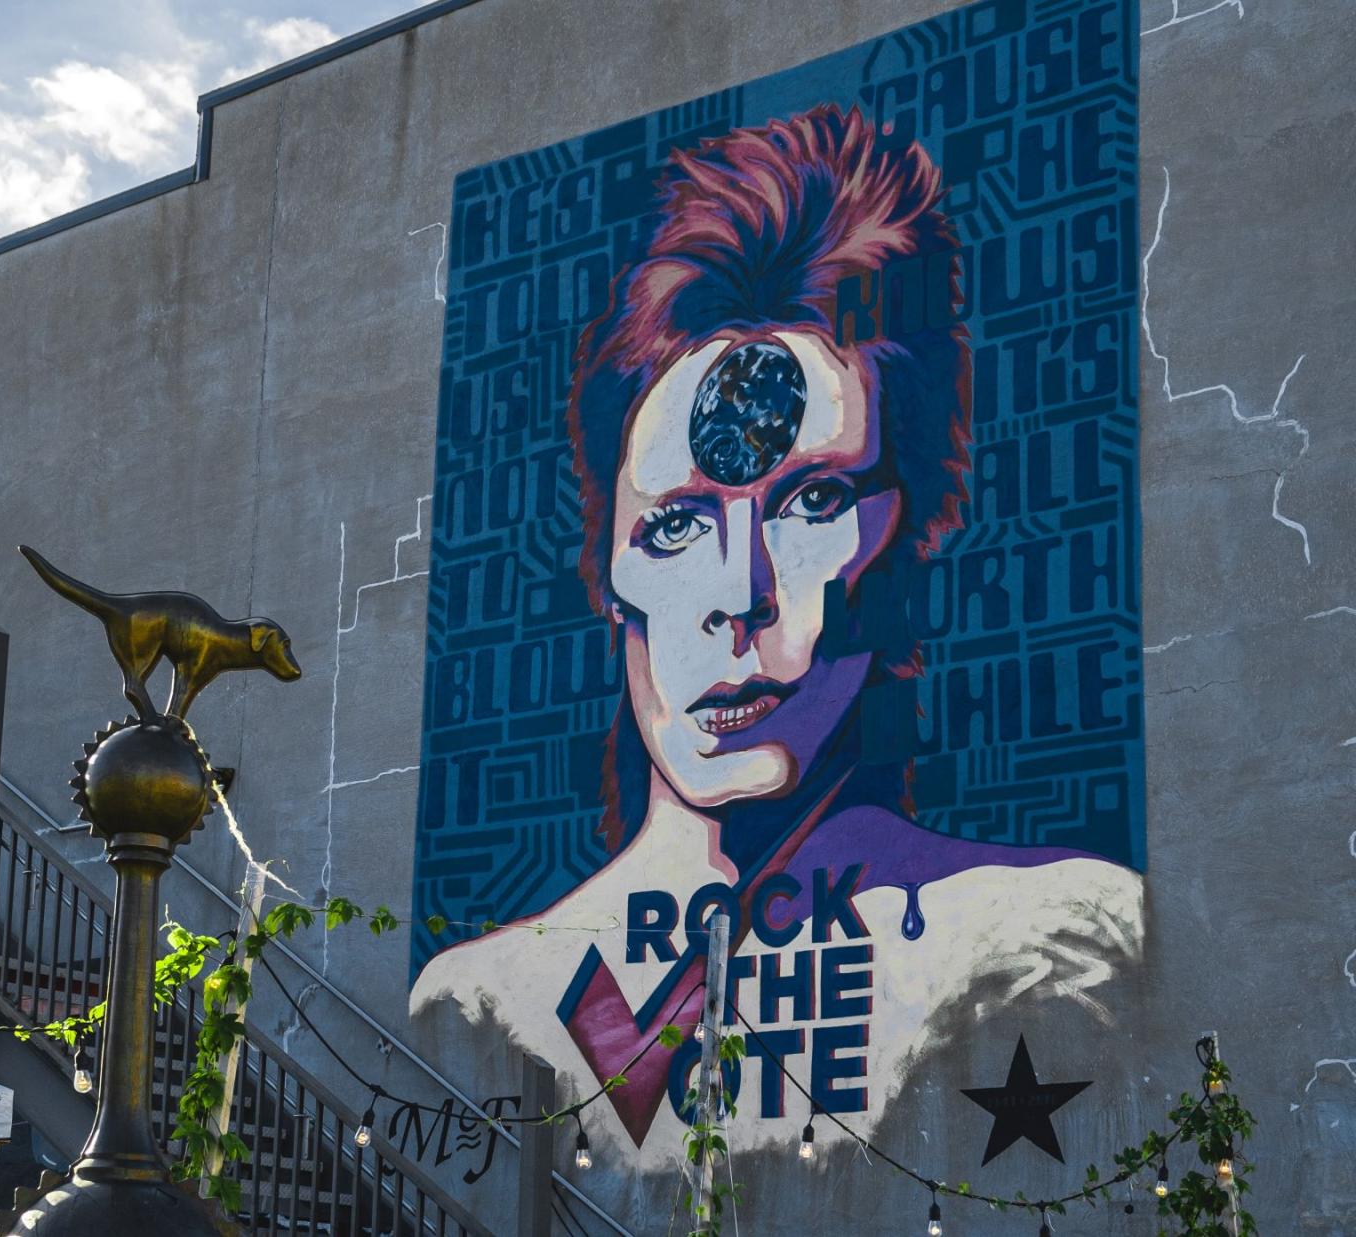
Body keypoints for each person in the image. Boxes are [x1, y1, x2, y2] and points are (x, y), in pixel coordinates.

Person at [412, 103, 1141, 1164]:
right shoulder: (474, 1001)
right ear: (608, 568)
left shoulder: (1052, 943)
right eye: (674, 522)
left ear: (909, 529)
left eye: (809, 506)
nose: (737, 594)